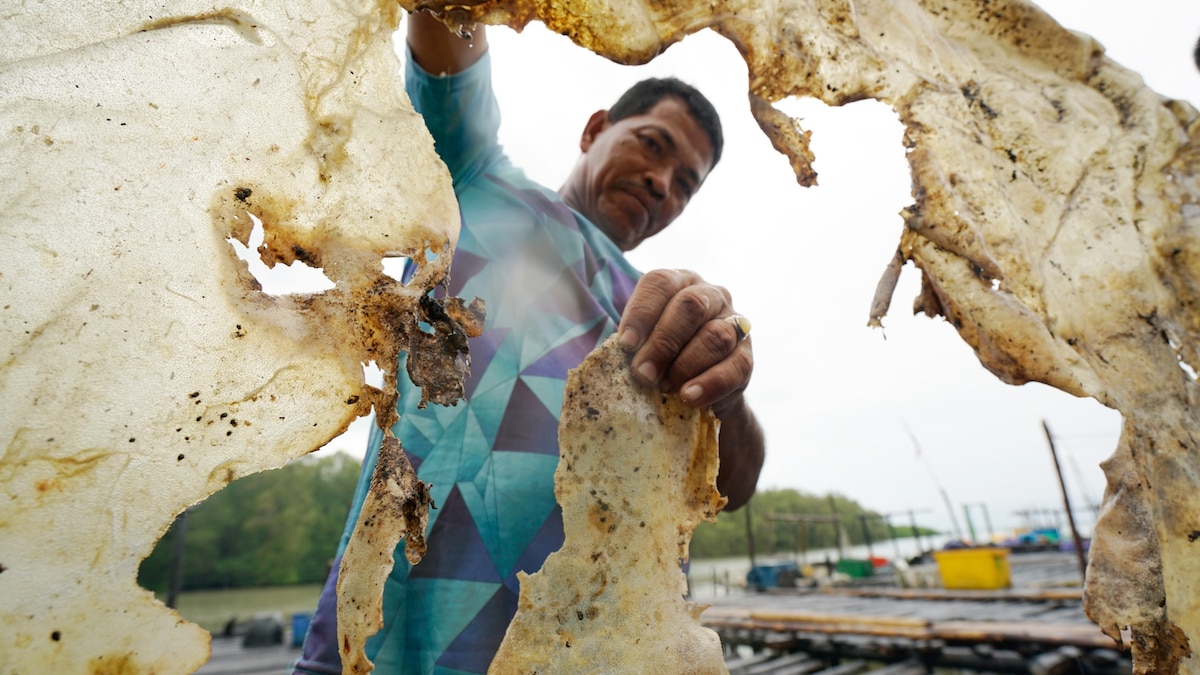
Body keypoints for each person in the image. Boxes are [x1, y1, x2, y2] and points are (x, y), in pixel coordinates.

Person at [292, 11, 764, 674]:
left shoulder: (668, 312)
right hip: (393, 634)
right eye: (654, 145)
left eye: (686, 181)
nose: (665, 181)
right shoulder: (474, 177)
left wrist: (730, 393)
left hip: (598, 651)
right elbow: (446, 36)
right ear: (596, 130)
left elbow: (736, 483)